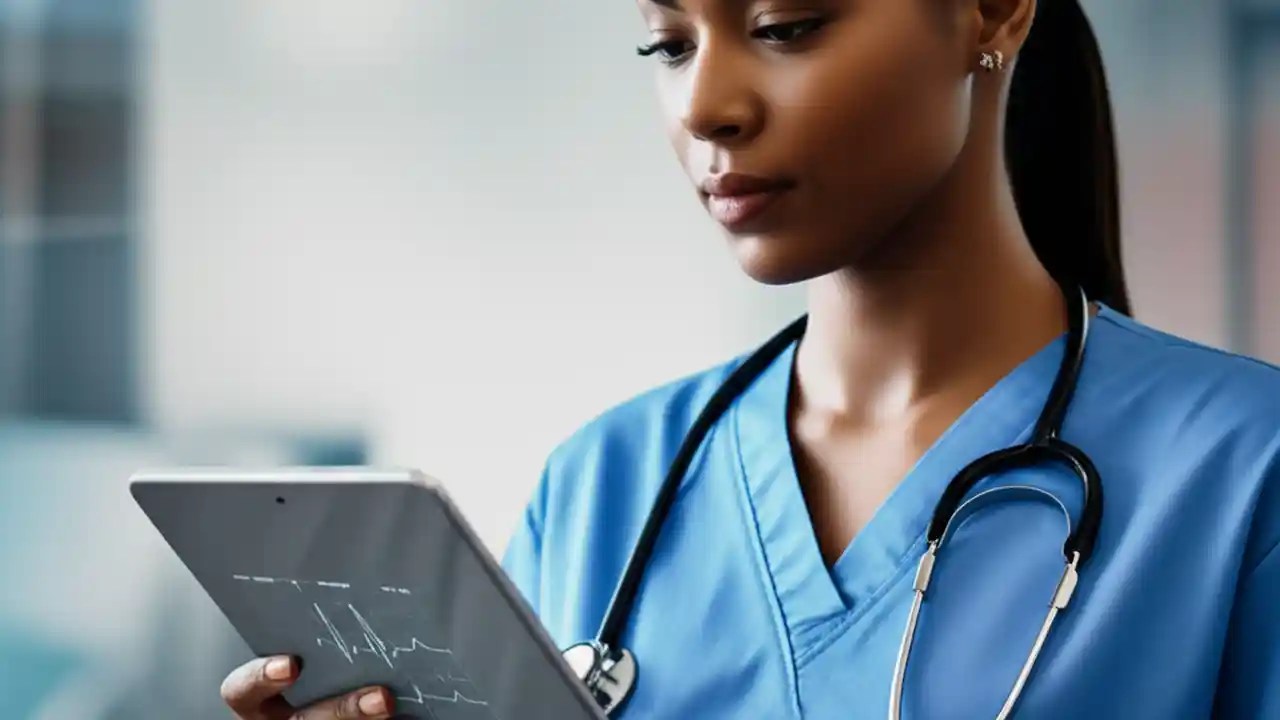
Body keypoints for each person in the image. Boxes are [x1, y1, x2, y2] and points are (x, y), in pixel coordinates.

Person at [220, 0, 1280, 717]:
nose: (703, 106)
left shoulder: (1242, 471)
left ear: (990, 10)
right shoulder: (605, 483)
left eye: (782, 25)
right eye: (667, 44)